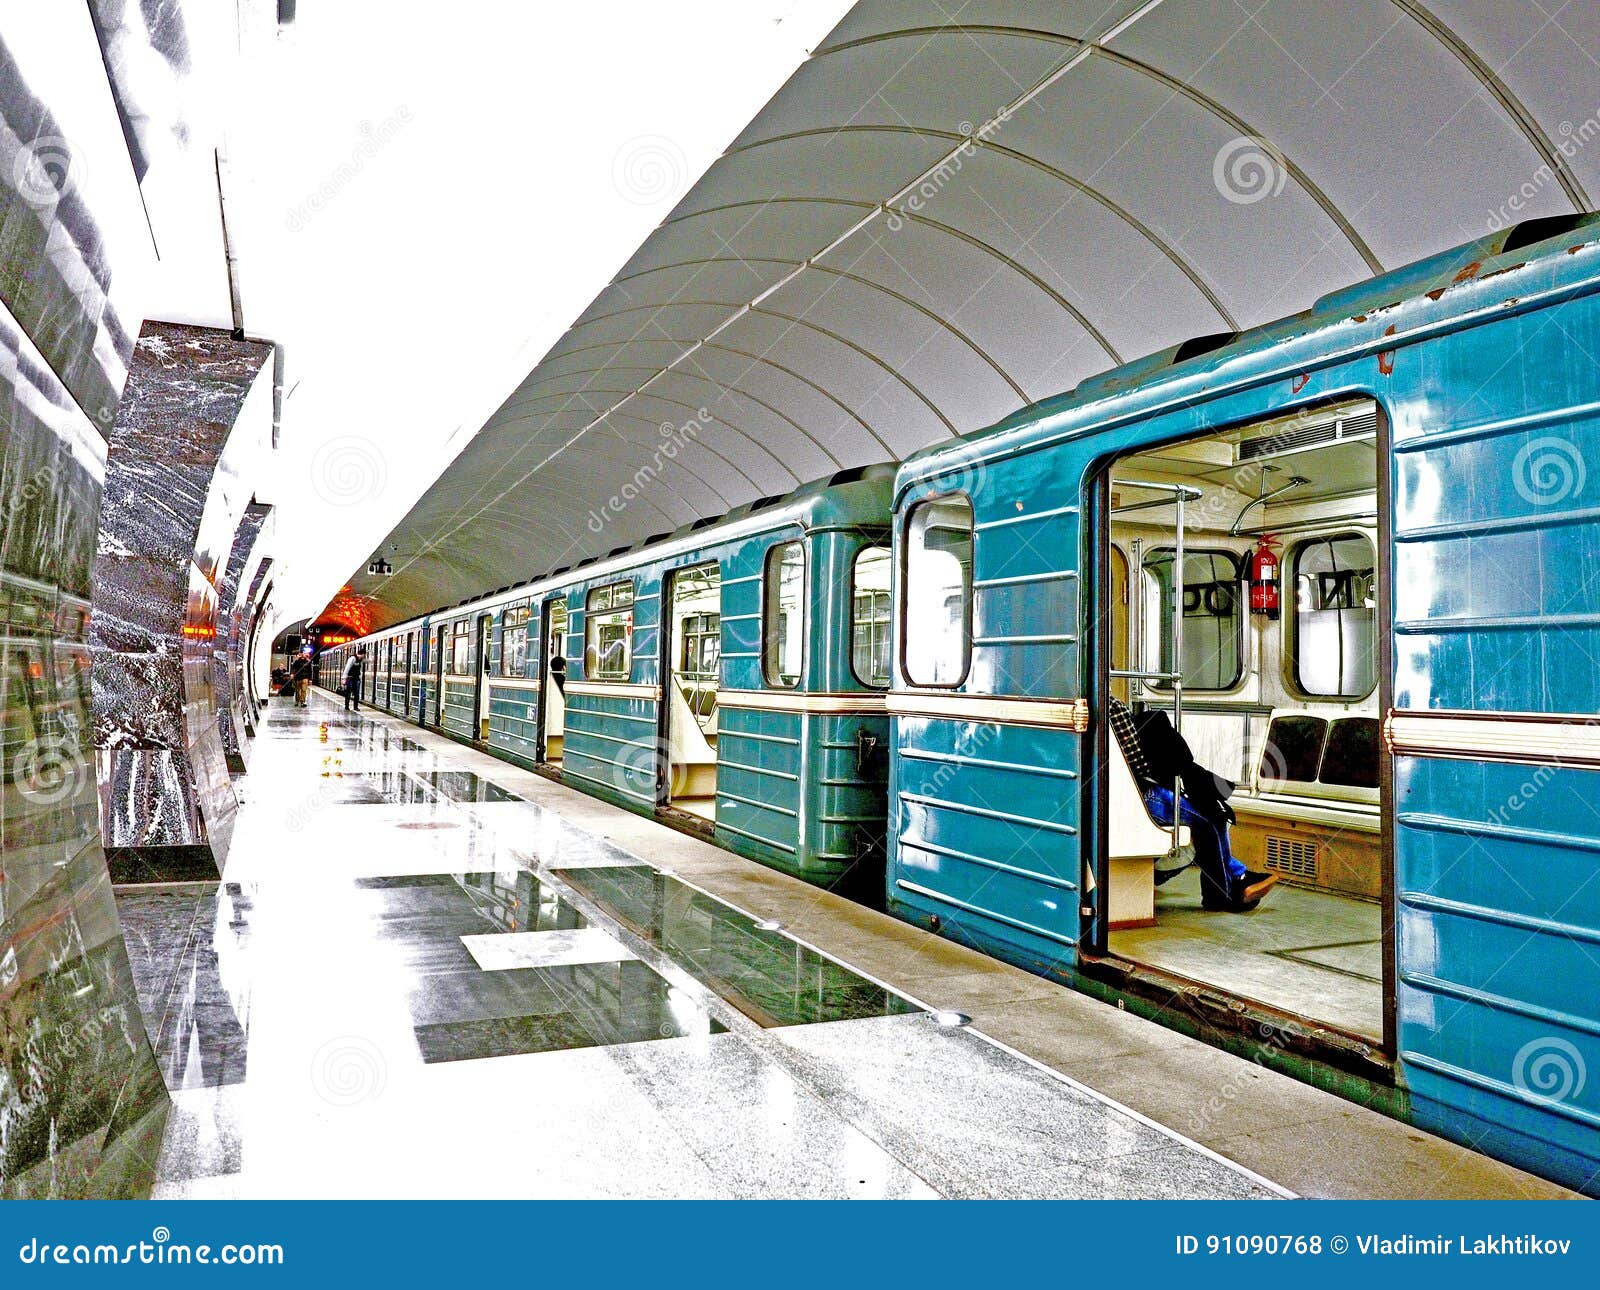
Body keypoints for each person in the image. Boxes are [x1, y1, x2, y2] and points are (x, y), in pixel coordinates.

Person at [1108, 695, 1276, 912]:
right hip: (1138, 793)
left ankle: (1236, 879)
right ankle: (1228, 889)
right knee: (1209, 819)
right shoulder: (1113, 706)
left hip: (1123, 792)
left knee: (1208, 818)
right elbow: (1135, 764)